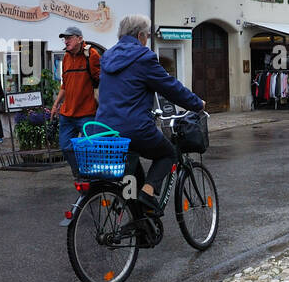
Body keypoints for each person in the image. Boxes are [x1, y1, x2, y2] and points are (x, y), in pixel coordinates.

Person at [95, 14, 204, 210]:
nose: (146, 40)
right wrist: (196, 104)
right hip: (134, 128)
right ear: (139, 36)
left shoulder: (107, 57)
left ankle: (139, 222)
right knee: (168, 154)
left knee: (131, 178)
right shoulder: (143, 57)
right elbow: (170, 87)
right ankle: (148, 192)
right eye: (146, 36)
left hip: (104, 129)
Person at [50, 25, 101, 177]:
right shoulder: (66, 57)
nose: (66, 41)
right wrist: (56, 104)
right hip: (67, 113)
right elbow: (64, 85)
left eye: (69, 38)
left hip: (87, 113)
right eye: (65, 38)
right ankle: (79, 173)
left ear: (79, 39)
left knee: (89, 150)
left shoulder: (91, 55)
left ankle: (91, 180)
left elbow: (102, 80)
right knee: (66, 146)